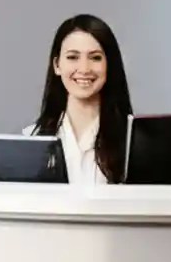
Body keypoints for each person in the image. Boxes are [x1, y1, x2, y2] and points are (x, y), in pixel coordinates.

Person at [24, 14, 134, 185]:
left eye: (95, 57)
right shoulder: (32, 140)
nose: (84, 69)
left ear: (110, 65)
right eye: (72, 57)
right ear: (57, 65)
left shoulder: (132, 143)